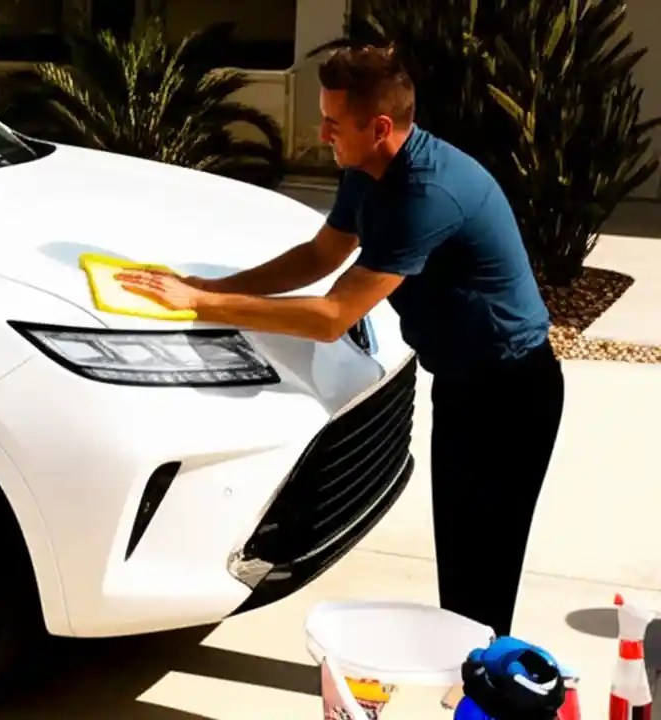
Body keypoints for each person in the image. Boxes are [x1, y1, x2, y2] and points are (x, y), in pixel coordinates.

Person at [115, 44, 565, 638]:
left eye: (333, 121)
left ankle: (490, 685)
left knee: (487, 559)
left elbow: (332, 314)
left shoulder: (424, 193)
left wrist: (202, 305)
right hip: (462, 382)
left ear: (380, 127)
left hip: (513, 393)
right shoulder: (368, 169)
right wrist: (210, 285)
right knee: (459, 551)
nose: (320, 131)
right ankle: (470, 673)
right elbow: (322, 255)